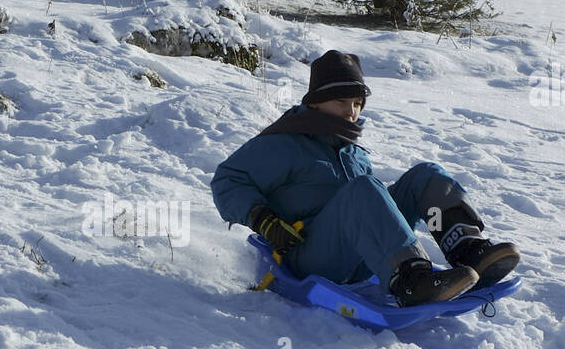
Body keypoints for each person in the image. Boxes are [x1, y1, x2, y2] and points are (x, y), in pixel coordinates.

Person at [211, 50, 520, 306]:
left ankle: (469, 250)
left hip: (360, 257)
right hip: (308, 254)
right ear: (315, 102)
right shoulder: (284, 142)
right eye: (341, 102)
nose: (351, 113)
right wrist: (262, 217)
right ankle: (412, 281)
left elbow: (371, 208)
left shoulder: (352, 151)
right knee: (363, 188)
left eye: (357, 104)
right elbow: (227, 180)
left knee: (426, 176)